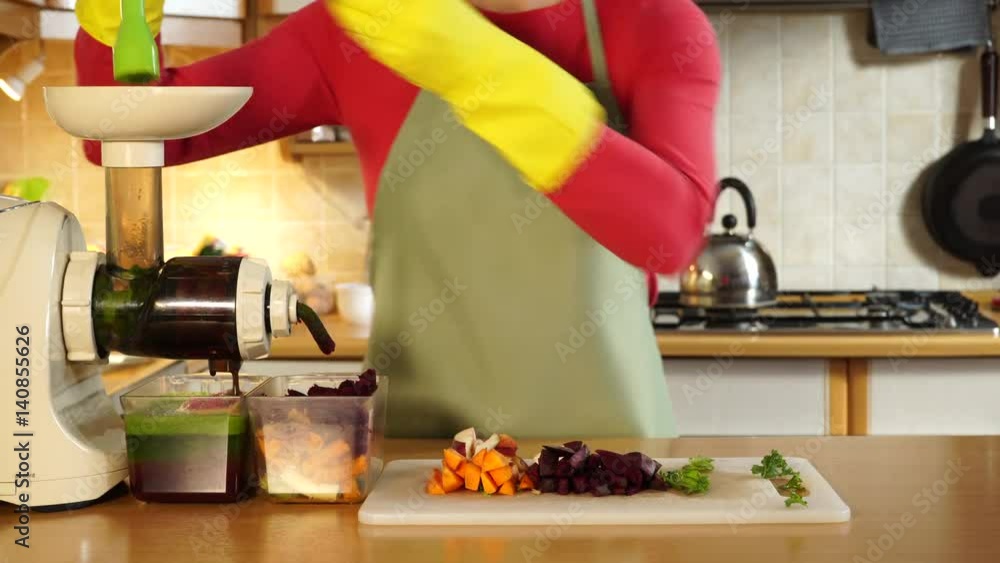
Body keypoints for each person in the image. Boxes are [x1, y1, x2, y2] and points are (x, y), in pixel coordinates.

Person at [75, 0, 721, 438]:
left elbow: (670, 230)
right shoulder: (364, 28)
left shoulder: (654, 21)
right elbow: (128, 131)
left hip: (618, 479)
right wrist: (117, 22)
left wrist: (477, 69)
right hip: (421, 476)